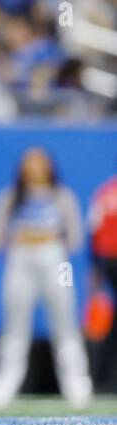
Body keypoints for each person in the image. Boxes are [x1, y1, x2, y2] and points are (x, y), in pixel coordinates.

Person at [0, 147, 92, 407]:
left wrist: (48, 241)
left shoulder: (62, 197)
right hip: (20, 260)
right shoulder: (11, 198)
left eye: (40, 162)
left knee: (65, 322)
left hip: (54, 260)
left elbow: (76, 237)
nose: (34, 167)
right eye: (29, 162)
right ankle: (7, 383)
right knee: (15, 324)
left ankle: (76, 384)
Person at [89, 166, 117, 393]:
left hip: (107, 260)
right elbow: (94, 230)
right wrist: (96, 267)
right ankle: (103, 380)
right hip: (111, 259)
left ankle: (102, 380)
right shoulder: (107, 192)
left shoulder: (106, 191)